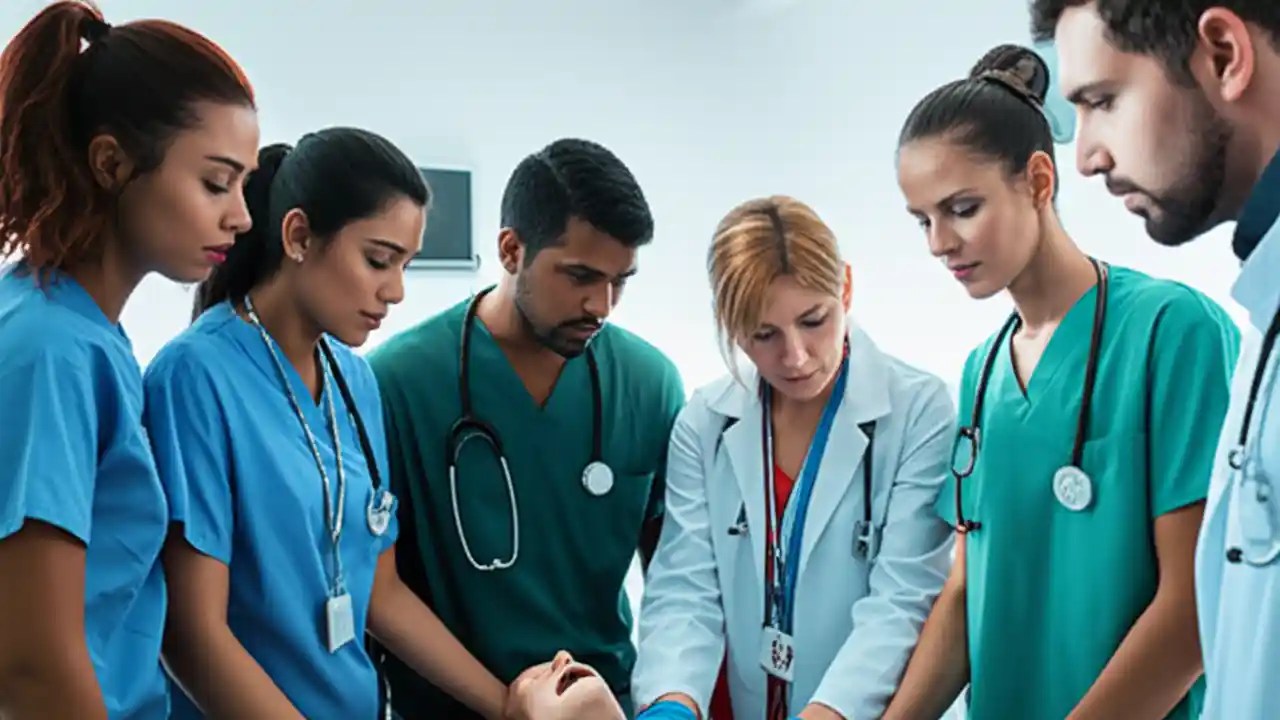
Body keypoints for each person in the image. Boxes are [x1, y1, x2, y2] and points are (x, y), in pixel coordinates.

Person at [886, 44, 1240, 720]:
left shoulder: (1173, 332)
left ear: (1040, 180)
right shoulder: (980, 372)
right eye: (922, 220)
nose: (939, 242)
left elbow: (1196, 602)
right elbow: (967, 591)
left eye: (961, 208)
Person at [141, 129, 509, 719]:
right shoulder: (195, 377)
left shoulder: (355, 381)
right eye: (378, 260)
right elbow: (190, 634)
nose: (395, 291)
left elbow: (379, 593)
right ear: (299, 236)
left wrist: (507, 704)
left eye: (405, 265)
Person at [368, 137, 685, 718]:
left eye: (621, 280)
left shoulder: (649, 384)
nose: (603, 304)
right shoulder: (398, 383)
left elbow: (679, 587)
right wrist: (508, 707)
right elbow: (378, 591)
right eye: (580, 276)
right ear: (511, 250)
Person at [0, 3, 257, 718]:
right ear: (111, 164)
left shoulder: (70, 329)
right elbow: (34, 671)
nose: (241, 215)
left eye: (243, 184)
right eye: (216, 182)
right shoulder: (53, 351)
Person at [1032, 2, 1280, 716]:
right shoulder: (1261, 309)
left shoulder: (1182, 328)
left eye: (1102, 102)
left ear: (1224, 55)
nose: (1084, 157)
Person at [629, 196, 955, 720]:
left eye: (813, 320)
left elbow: (902, 600)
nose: (796, 356)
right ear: (730, 325)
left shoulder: (918, 411)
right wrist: (671, 703)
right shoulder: (705, 423)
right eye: (764, 334)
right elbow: (684, 589)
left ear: (845, 288)